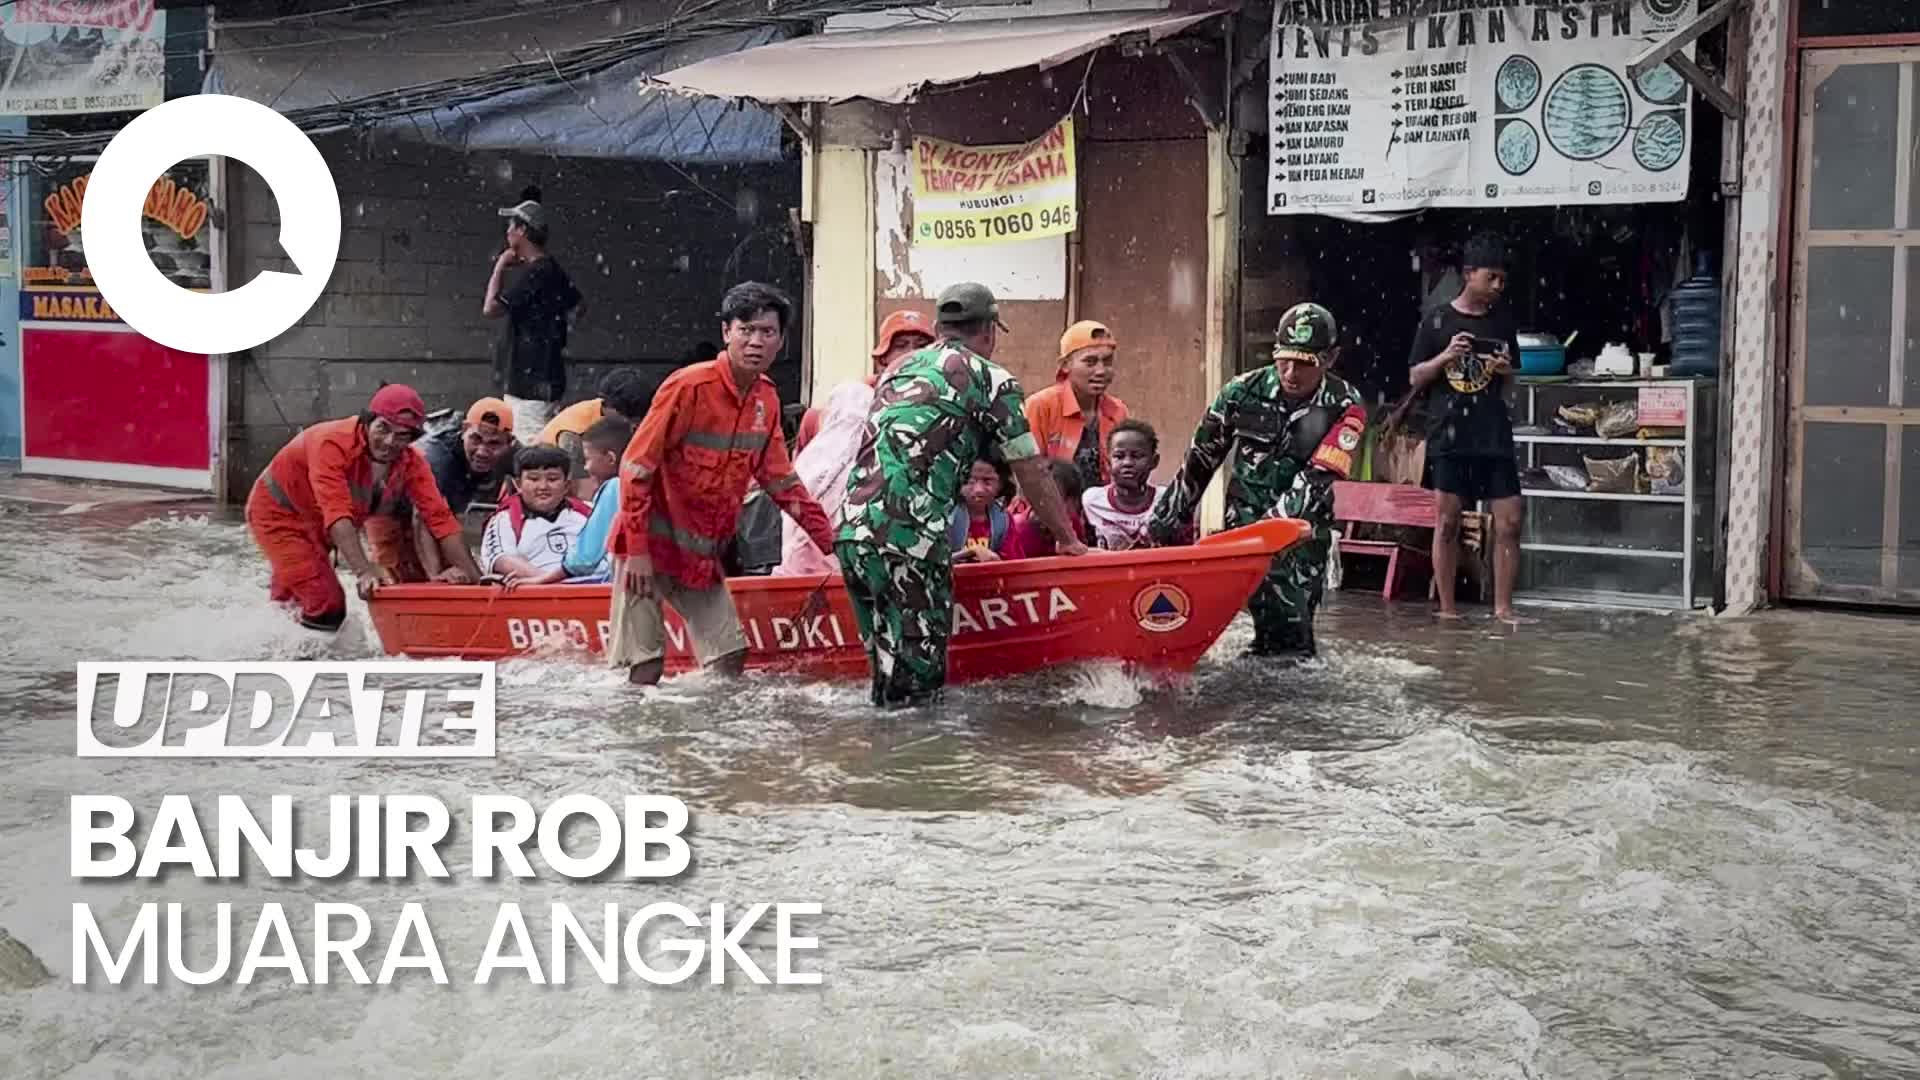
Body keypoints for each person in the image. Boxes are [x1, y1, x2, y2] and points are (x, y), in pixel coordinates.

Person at [834, 282, 1088, 708]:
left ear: (937, 329)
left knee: (885, 677)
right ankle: (920, 771)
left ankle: (878, 764)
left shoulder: (900, 370)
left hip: (853, 534)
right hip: (909, 540)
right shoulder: (993, 379)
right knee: (920, 687)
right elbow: (1027, 465)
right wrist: (1067, 539)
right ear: (989, 331)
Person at [608, 281, 835, 686]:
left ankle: (700, 741)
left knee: (729, 658)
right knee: (644, 666)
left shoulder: (767, 399)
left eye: (767, 332)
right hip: (647, 544)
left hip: (698, 552)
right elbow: (636, 468)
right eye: (745, 329)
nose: (755, 341)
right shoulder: (688, 386)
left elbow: (783, 483)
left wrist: (833, 543)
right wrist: (638, 552)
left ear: (781, 340)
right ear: (726, 332)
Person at [1149, 302, 1367, 659]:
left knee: (1293, 631)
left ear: (1329, 359)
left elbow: (1315, 480)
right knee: (1252, 624)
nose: (1291, 372)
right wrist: (1160, 531)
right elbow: (1199, 462)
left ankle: (1280, 699)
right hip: (1244, 526)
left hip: (1301, 533)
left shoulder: (1345, 404)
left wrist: (1268, 536)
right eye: (1284, 359)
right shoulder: (1241, 392)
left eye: (1304, 363)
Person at [246, 384, 480, 631]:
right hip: (279, 515)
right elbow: (337, 516)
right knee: (327, 604)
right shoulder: (331, 444)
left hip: (323, 519)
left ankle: (269, 646)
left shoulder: (412, 461)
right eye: (383, 428)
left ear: (412, 439)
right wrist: (364, 572)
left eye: (402, 435)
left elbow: (441, 521)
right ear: (367, 421)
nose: (389, 442)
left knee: (289, 603)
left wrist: (479, 581)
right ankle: (310, 662)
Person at [1405, 232, 1524, 622]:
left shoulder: (1504, 322)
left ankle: (1503, 610)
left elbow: (1510, 388)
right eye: (1491, 277)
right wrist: (1446, 355)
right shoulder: (1437, 319)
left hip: (1493, 434)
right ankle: (1449, 609)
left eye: (1502, 279)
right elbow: (1415, 378)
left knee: (1510, 521)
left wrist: (1507, 373)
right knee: (1448, 522)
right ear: (1469, 274)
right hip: (1449, 434)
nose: (1498, 286)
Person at [364, 396, 518, 583]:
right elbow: (422, 517)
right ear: (464, 430)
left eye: (494, 444)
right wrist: (435, 575)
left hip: (438, 518)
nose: (482, 451)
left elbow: (542, 467)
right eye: (476, 439)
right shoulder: (438, 459)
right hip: (392, 515)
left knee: (462, 577)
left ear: (509, 443)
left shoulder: (515, 455)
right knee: (411, 580)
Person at [484, 190, 583, 445]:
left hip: (528, 383)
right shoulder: (553, 269)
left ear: (522, 231)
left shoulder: (535, 273)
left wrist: (500, 267)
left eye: (511, 226)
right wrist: (553, 330)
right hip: (549, 376)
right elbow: (579, 306)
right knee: (548, 446)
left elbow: (491, 308)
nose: (507, 232)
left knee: (528, 450)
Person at [794, 310, 936, 451]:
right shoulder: (854, 402)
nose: (912, 353)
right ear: (882, 359)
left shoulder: (946, 401)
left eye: (922, 346)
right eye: (901, 345)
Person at [1022, 320, 1130, 490]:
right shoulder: (1041, 406)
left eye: (1107, 361)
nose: (1101, 371)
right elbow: (1028, 474)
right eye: (1090, 362)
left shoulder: (1117, 411)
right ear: (1065, 365)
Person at [480, 445, 593, 588]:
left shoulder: (590, 512)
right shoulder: (503, 519)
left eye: (552, 479)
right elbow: (501, 560)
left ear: (566, 485)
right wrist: (551, 581)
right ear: (518, 484)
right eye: (533, 479)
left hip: (591, 591)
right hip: (535, 595)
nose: (543, 486)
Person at [538, 369, 657, 500]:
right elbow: (582, 492)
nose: (635, 426)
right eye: (630, 418)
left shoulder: (615, 419)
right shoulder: (573, 433)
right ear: (609, 407)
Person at [562, 416, 634, 583]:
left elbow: (584, 559)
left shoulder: (616, 487)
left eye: (587, 459)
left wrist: (541, 579)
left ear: (610, 458)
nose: (586, 468)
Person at [1083, 419, 1175, 551]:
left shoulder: (1165, 501)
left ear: (1154, 461)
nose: (1127, 463)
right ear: (1108, 462)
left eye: (1137, 456)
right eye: (1119, 456)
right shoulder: (1091, 501)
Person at [1004, 458, 1089, 559]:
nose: (1065, 508)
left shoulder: (1073, 523)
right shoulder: (1018, 529)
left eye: (1072, 501)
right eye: (1054, 500)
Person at [948, 455, 1014, 563]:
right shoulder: (946, 516)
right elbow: (929, 563)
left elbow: (1012, 566)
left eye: (987, 481)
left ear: (1001, 485)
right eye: (971, 481)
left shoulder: (1003, 521)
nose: (978, 489)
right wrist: (971, 552)